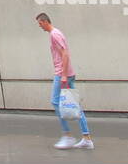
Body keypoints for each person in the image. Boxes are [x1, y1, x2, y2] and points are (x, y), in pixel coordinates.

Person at [35, 13, 92, 149]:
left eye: (40, 23)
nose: (39, 26)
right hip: (65, 73)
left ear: (44, 21)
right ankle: (86, 138)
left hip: (62, 73)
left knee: (55, 101)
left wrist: (64, 76)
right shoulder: (56, 33)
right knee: (75, 105)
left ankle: (68, 136)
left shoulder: (55, 34)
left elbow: (65, 54)